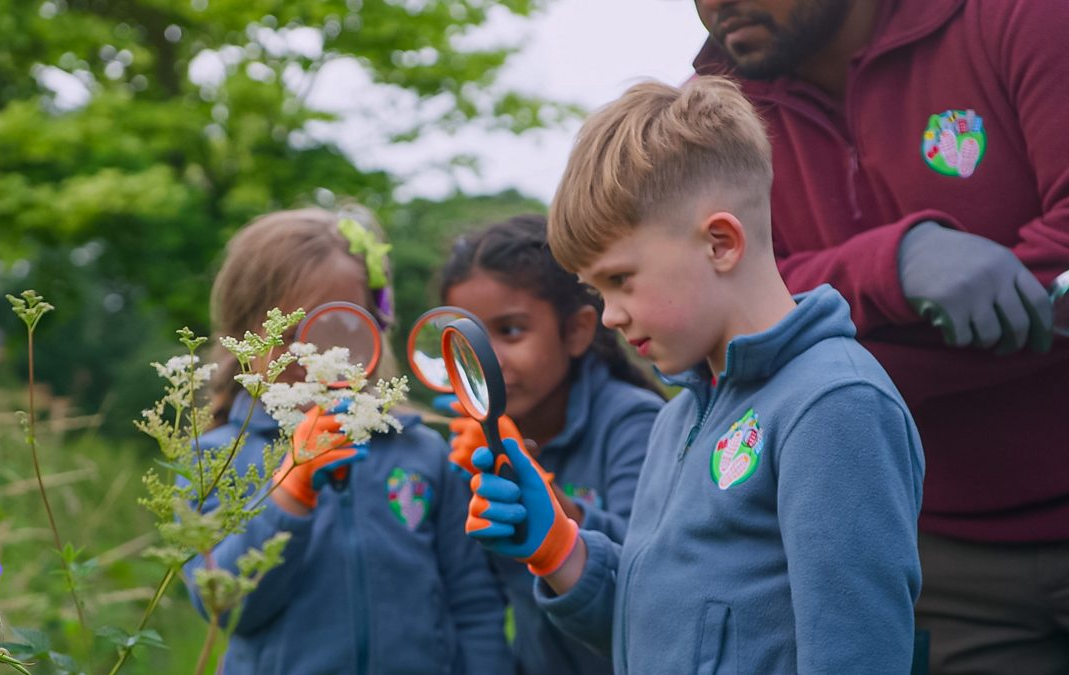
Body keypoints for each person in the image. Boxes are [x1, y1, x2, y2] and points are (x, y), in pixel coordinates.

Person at [462, 77, 925, 672]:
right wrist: (560, 548)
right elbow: (661, 629)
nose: (610, 315)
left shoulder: (834, 405)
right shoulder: (678, 414)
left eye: (621, 279)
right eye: (596, 290)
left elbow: (856, 656)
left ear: (721, 243)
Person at [688, 0, 1069, 670]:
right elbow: (711, 312)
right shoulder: (708, 114)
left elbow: (764, 320)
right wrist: (894, 263)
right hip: (935, 560)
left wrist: (832, 357)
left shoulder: (1024, 17)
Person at [183, 208, 511, 674]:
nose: (316, 354)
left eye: (343, 329)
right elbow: (225, 605)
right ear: (242, 336)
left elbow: (473, 603)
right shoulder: (215, 458)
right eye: (291, 334)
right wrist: (290, 493)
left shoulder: (421, 452)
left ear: (377, 331)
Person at [438, 214, 664, 674]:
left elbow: (653, 565)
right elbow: (474, 598)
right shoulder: (473, 441)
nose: (490, 360)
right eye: (470, 340)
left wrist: (548, 504)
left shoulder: (634, 420)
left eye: (511, 331)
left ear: (578, 330)